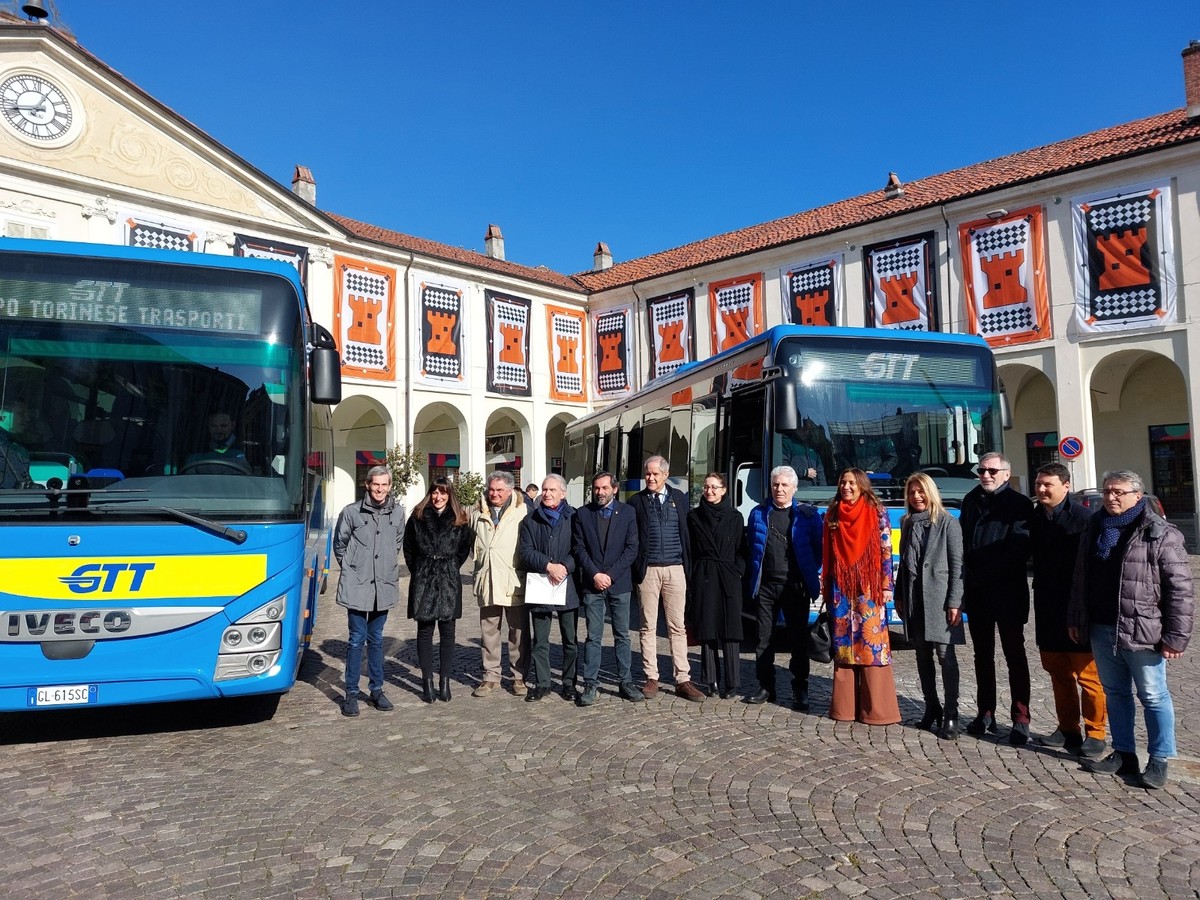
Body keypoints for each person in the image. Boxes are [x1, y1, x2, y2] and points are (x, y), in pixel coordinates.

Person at [1068, 469, 1194, 789]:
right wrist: (1076, 617)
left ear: (1138, 496)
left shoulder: (1160, 532)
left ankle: (1159, 758)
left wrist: (1176, 636)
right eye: (1108, 491)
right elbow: (1081, 578)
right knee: (1116, 692)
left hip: (1144, 629)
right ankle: (1124, 752)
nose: (1111, 497)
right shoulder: (1094, 527)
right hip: (1101, 625)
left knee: (1153, 695)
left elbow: (1180, 589)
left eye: (1119, 492)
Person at [1030, 463, 1107, 758]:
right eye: (1038, 484)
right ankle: (1068, 729)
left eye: (1047, 484)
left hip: (1077, 609)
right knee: (1057, 672)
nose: (1041, 490)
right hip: (1047, 607)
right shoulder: (1035, 517)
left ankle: (1096, 732)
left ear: (1066, 485)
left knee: (1088, 677)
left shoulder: (1085, 519)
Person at [959, 452, 1033, 744]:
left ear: (1006, 473)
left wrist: (985, 571)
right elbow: (964, 542)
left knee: (1015, 656)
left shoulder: (1020, 505)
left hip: (1008, 592)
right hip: (978, 593)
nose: (986, 475)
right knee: (982, 657)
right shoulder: (971, 500)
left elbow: (1019, 550)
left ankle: (1021, 718)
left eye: (992, 470)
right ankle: (985, 712)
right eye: (981, 470)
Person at [822, 468, 901, 725]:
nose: (846, 486)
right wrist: (826, 586)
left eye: (852, 483)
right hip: (841, 589)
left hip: (869, 588)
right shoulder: (833, 513)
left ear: (862, 486)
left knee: (872, 645)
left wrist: (887, 585)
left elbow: (886, 550)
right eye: (843, 482)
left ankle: (877, 711)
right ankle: (845, 709)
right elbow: (828, 554)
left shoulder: (877, 512)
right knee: (844, 646)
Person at [744, 466, 822, 709]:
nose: (779, 489)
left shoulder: (807, 516)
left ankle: (800, 688)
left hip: (794, 586)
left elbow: (817, 550)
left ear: (794, 489)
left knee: (798, 641)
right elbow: (752, 549)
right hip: (766, 586)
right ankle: (766, 686)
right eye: (776, 484)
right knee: (763, 638)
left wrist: (808, 575)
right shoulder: (758, 513)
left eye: (784, 485)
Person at [629, 455, 705, 701]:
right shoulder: (636, 502)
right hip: (648, 570)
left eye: (655, 474)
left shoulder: (680, 499)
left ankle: (683, 679)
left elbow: (689, 533)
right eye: (647, 474)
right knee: (647, 626)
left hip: (675, 569)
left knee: (677, 627)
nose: (650, 478)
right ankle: (651, 677)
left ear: (665, 474)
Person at [894, 473, 964, 740]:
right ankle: (931, 707)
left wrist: (955, 602)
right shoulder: (907, 522)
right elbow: (905, 564)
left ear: (931, 493)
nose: (916, 497)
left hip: (940, 601)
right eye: (912, 493)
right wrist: (900, 595)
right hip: (914, 599)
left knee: (946, 657)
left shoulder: (948, 523)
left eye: (921, 492)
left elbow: (958, 566)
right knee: (922, 656)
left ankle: (951, 714)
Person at [333, 465, 405, 717]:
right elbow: (339, 544)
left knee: (376, 640)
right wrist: (354, 569)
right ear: (368, 485)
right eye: (376, 484)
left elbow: (396, 544)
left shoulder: (397, 513)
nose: (380, 489)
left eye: (385, 485)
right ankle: (350, 693)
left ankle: (377, 689)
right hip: (357, 586)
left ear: (389, 486)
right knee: (355, 640)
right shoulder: (351, 512)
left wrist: (381, 567)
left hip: (382, 586)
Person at [573, 471, 644, 705]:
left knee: (622, 635)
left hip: (619, 583)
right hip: (593, 584)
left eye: (604, 488)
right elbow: (579, 548)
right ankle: (590, 684)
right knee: (593, 636)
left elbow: (632, 548)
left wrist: (610, 576)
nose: (599, 492)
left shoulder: (628, 513)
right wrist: (595, 574)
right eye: (596, 488)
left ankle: (625, 681)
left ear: (614, 489)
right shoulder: (583, 514)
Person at [404, 476, 475, 703]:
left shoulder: (459, 519)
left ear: (449, 495)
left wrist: (452, 565)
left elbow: (464, 548)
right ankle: (427, 681)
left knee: (448, 631)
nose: (438, 497)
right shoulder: (417, 517)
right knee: (425, 631)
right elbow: (408, 549)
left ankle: (444, 681)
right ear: (430, 493)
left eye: (443, 493)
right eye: (435, 492)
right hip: (424, 578)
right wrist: (420, 569)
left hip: (448, 579)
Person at [518, 474, 580, 702]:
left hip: (568, 583)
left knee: (570, 640)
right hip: (541, 584)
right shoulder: (530, 519)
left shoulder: (574, 517)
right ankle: (542, 683)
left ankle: (569, 683)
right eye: (544, 489)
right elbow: (525, 551)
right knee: (540, 640)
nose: (547, 493)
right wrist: (547, 565)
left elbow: (579, 548)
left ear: (563, 493)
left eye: (552, 490)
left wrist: (564, 566)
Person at [687, 473, 748, 700]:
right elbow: (690, 550)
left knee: (731, 630)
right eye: (706, 487)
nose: (709, 491)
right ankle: (711, 680)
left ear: (724, 490)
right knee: (708, 628)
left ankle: (733, 683)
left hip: (729, 575)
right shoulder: (693, 517)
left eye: (714, 487)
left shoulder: (735, 517)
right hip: (704, 576)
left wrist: (738, 571)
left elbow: (743, 549)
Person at [470, 471, 530, 696]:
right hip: (487, 580)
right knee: (489, 632)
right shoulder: (477, 513)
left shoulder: (523, 511)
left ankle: (519, 676)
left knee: (518, 632)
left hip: (514, 580)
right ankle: (490, 676)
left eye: (499, 490)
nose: (494, 494)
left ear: (510, 490)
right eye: (491, 489)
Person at [184, 410, 251, 473]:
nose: (219, 430)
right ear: (208, 426)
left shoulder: (248, 450)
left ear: (233, 425)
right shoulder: (196, 453)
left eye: (223, 426)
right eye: (214, 426)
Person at [0, 400, 32, 489]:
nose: (27, 419)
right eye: (21, 414)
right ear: (2, 413)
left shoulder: (20, 450)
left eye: (28, 415)